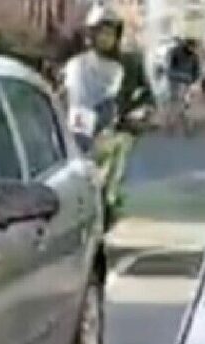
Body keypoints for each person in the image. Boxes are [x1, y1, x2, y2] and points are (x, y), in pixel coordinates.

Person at [62, 4, 147, 226]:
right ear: (91, 34)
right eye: (100, 33)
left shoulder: (130, 63)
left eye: (110, 33)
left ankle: (109, 202)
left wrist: (137, 112)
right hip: (81, 126)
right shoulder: (77, 63)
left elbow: (147, 96)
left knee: (113, 169)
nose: (105, 38)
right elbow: (67, 91)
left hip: (117, 127)